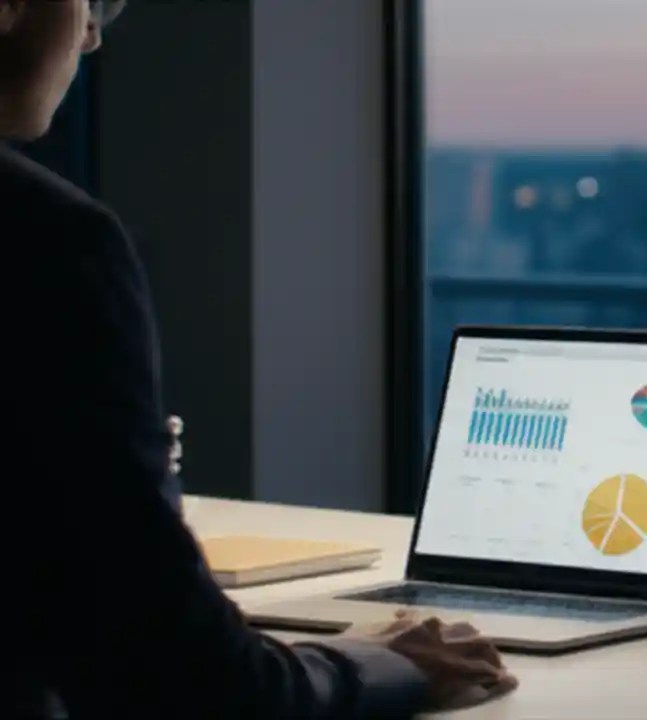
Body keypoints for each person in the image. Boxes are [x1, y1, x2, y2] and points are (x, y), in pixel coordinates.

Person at [1, 1, 515, 716]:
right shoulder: (48, 243)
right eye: (87, 0)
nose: (90, 32)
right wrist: (378, 663)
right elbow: (177, 676)